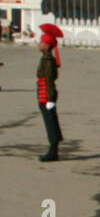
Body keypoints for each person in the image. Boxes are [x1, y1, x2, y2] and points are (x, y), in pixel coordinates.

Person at [36, 25, 63, 162]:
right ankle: (53, 150)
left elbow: (49, 81)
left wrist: (50, 99)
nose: (39, 44)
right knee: (50, 122)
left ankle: (53, 152)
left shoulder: (47, 61)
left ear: (47, 45)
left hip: (46, 96)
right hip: (44, 95)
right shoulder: (46, 59)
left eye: (41, 42)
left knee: (51, 123)